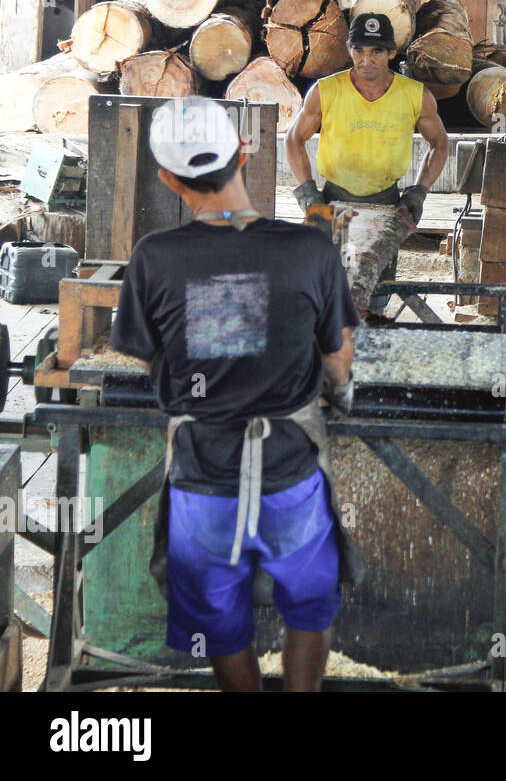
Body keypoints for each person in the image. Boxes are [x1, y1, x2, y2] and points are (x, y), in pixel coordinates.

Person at [110, 96, 363, 691]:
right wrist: (335, 390)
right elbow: (339, 363)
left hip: (203, 478)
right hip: (290, 472)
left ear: (168, 177)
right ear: (245, 151)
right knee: (310, 599)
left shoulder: (153, 258)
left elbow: (146, 354)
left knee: (218, 622)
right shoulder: (312, 251)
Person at [285, 11, 451, 310]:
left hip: (387, 202)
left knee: (374, 293)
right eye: (358, 50)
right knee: (320, 291)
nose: (366, 59)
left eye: (376, 51)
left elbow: (439, 144)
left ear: (391, 52)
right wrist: (307, 192)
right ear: (349, 50)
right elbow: (293, 138)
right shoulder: (326, 90)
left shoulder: (415, 95)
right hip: (329, 199)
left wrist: (419, 191)